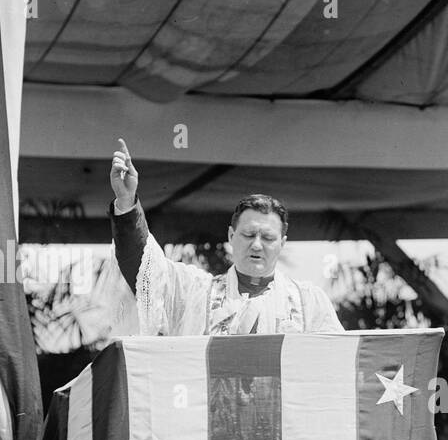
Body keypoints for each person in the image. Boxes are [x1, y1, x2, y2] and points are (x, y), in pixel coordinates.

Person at [102, 138, 344, 336]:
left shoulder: (309, 302)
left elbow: (337, 367)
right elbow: (146, 271)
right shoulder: (196, 293)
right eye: (248, 234)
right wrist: (126, 202)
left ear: (282, 243)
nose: (257, 244)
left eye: (268, 237)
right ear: (231, 235)